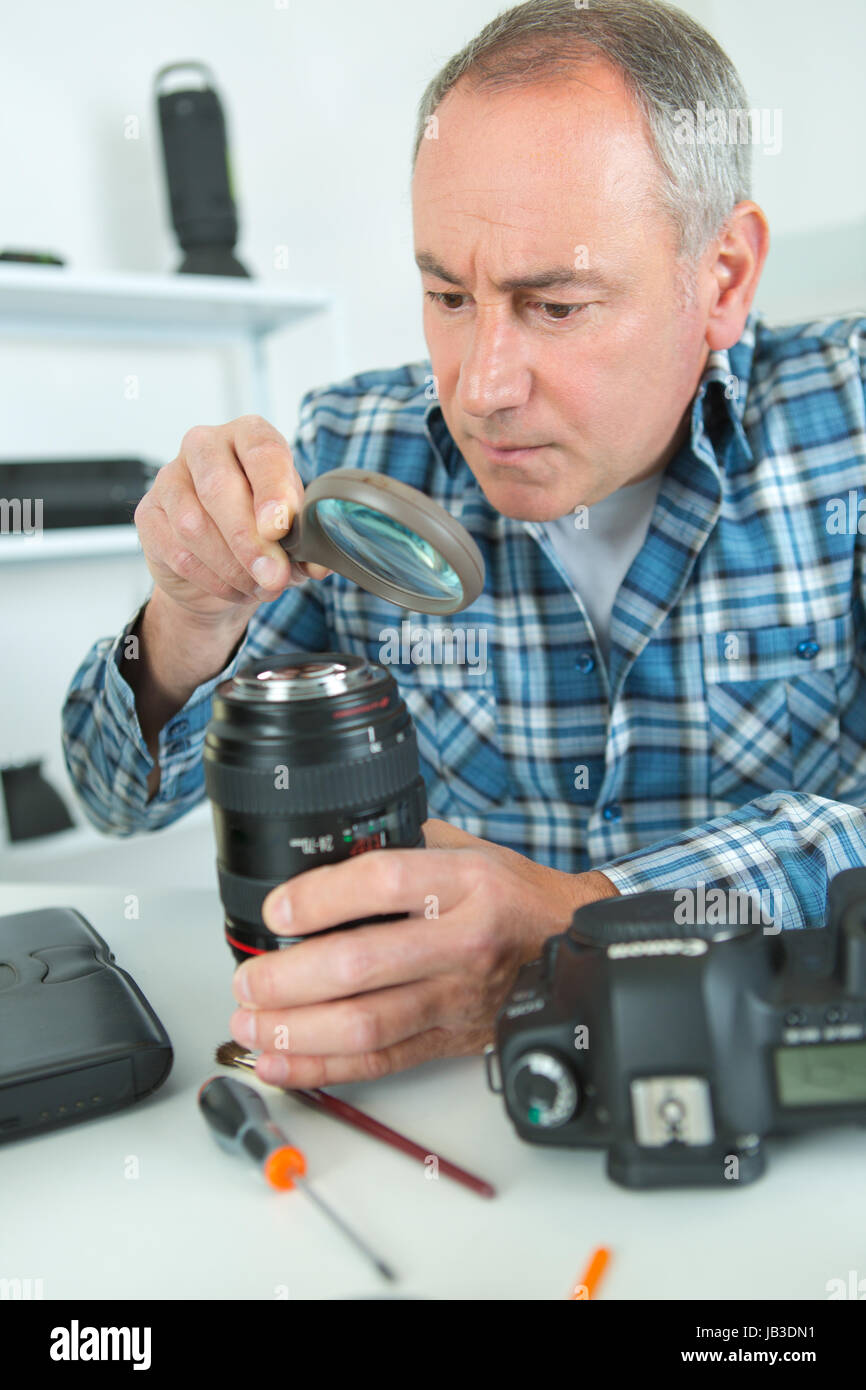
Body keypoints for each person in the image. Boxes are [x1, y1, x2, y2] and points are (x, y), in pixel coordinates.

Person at [62, 0, 866, 1087]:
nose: (480, 387)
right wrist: (188, 618)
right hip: (440, 1102)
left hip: (767, 1078)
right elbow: (113, 798)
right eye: (446, 293)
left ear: (718, 277)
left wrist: (585, 921)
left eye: (556, 305)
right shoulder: (356, 444)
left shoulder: (849, 427)